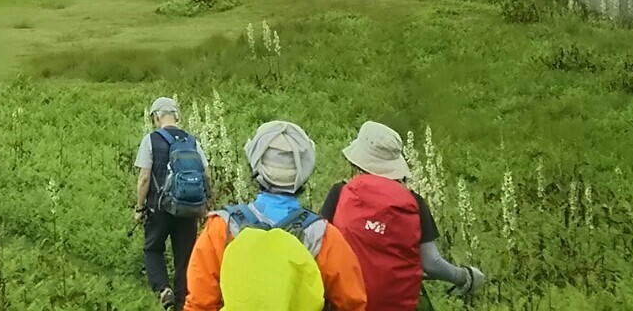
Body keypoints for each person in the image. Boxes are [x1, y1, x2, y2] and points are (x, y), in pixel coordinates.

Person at [184, 120, 367, 311]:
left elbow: (199, 304)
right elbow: (352, 304)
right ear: (304, 173)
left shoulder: (221, 228)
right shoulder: (323, 237)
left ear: (255, 166)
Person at [323, 122, 486, 309]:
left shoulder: (340, 193)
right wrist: (465, 277)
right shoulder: (414, 202)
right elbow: (431, 263)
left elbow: (320, 246)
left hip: (345, 303)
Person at [134, 97, 210, 310]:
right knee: (185, 257)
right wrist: (205, 205)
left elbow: (144, 178)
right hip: (189, 207)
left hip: (159, 207)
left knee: (153, 249)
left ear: (156, 117)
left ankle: (163, 289)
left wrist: (139, 207)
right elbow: (206, 174)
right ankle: (183, 303)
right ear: (177, 116)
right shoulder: (192, 141)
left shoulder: (151, 140)